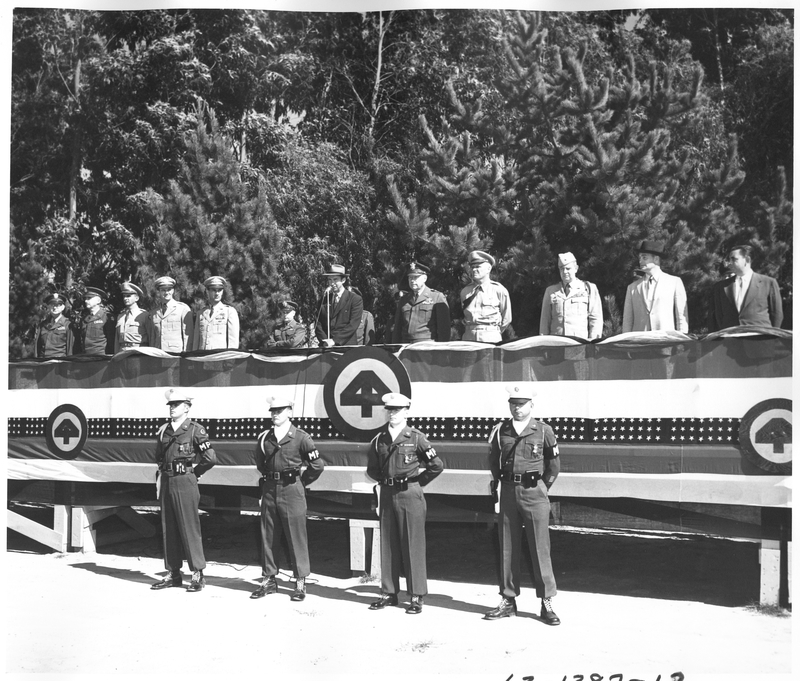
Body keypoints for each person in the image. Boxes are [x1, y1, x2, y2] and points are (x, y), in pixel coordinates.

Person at [483, 385, 561, 626]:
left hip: (534, 493)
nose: (517, 408)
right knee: (507, 546)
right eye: (514, 403)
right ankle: (508, 600)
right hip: (507, 492)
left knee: (540, 548)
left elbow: (554, 465)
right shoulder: (500, 431)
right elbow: (494, 461)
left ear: (531, 406)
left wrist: (541, 488)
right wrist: (502, 484)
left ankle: (546, 602)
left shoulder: (544, 430)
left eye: (522, 403)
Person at [366, 393, 444, 615]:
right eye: (389, 410)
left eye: (397, 410)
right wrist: (385, 481)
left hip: (410, 494)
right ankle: (389, 593)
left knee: (413, 544)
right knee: (388, 544)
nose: (393, 414)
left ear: (407, 412)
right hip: (388, 493)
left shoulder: (417, 438)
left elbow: (436, 465)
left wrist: (417, 483)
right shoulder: (379, 439)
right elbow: (372, 468)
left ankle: (416, 594)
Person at [251, 396, 324, 602]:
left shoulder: (301, 437)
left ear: (289, 412)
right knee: (268, 535)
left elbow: (317, 465)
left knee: (296, 535)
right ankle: (269, 579)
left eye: (280, 411)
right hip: (270, 489)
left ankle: (300, 580)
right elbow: (260, 463)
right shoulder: (265, 437)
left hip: (293, 490)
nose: (275, 414)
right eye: (273, 411)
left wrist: (300, 482)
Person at [150, 388, 217, 593]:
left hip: (185, 481)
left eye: (176, 405)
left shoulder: (195, 430)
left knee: (189, 527)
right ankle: (173, 573)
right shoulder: (163, 430)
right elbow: (159, 457)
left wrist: (194, 473)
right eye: (170, 405)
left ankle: (197, 573)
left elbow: (211, 458)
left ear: (187, 408)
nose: (172, 408)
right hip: (168, 480)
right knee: (168, 527)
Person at [709, 244, 784, 331]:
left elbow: (777, 314)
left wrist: (770, 336)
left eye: (734, 259)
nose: (730, 263)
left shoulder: (768, 283)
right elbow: (719, 315)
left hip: (760, 338)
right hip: (731, 339)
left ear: (747, 260)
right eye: (729, 259)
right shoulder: (721, 286)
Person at [622, 240, 688, 333]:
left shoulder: (674, 282)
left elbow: (681, 316)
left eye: (644, 257)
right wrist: (626, 343)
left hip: (666, 342)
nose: (640, 261)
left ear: (656, 259)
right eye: (639, 257)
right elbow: (627, 320)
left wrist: (683, 342)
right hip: (640, 344)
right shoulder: (632, 288)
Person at [539, 252, 602, 340]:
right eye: (561, 269)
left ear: (576, 268)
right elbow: (545, 321)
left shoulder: (588, 289)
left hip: (579, 344)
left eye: (568, 268)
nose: (565, 272)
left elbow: (595, 319)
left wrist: (593, 343)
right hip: (556, 345)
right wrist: (544, 344)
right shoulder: (551, 291)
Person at [391, 261, 450, 343]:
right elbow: (397, 327)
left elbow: (444, 329)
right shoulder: (404, 299)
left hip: (426, 346)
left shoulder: (436, 297)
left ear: (424, 278)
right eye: (410, 278)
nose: (412, 281)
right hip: (405, 345)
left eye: (416, 277)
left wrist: (442, 349)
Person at [460, 250, 511, 343]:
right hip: (468, 338)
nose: (474, 270)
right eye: (472, 267)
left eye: (478, 267)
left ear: (488, 269)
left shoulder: (499, 290)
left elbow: (506, 319)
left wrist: (492, 331)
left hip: (490, 337)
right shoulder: (465, 292)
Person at [315, 264, 363, 347]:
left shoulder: (355, 299)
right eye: (329, 280)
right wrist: (325, 341)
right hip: (326, 347)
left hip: (346, 346)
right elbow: (318, 323)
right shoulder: (324, 300)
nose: (332, 283)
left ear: (343, 280)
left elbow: (353, 324)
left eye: (335, 279)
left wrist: (334, 341)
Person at [143, 276, 194, 352]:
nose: (166, 292)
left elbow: (188, 336)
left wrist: (187, 354)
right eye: (163, 290)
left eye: (169, 289)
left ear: (173, 291)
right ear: (159, 292)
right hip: (158, 353)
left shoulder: (182, 309)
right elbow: (152, 337)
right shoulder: (154, 313)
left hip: (176, 354)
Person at [192, 276, 240, 350]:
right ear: (208, 291)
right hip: (203, 358)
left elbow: (233, 341)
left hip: (220, 358)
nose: (217, 293)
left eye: (220, 290)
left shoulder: (229, 312)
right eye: (214, 290)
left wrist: (229, 361)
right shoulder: (201, 313)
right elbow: (196, 341)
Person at [75, 286, 114, 355]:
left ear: (98, 301)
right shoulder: (84, 319)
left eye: (89, 298)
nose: (86, 301)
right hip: (85, 356)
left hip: (101, 357)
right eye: (85, 298)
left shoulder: (106, 317)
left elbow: (111, 340)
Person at [34, 292, 75, 357]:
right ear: (48, 306)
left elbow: (70, 349)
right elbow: (37, 347)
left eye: (58, 305)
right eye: (52, 305)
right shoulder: (43, 325)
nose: (55, 308)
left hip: (60, 362)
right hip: (43, 361)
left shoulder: (68, 324)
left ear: (63, 307)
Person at [114, 282, 148, 352]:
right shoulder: (121, 316)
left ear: (136, 298)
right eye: (124, 296)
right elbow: (117, 340)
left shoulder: (144, 315)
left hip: (138, 351)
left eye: (128, 296)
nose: (125, 298)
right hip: (122, 351)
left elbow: (151, 337)